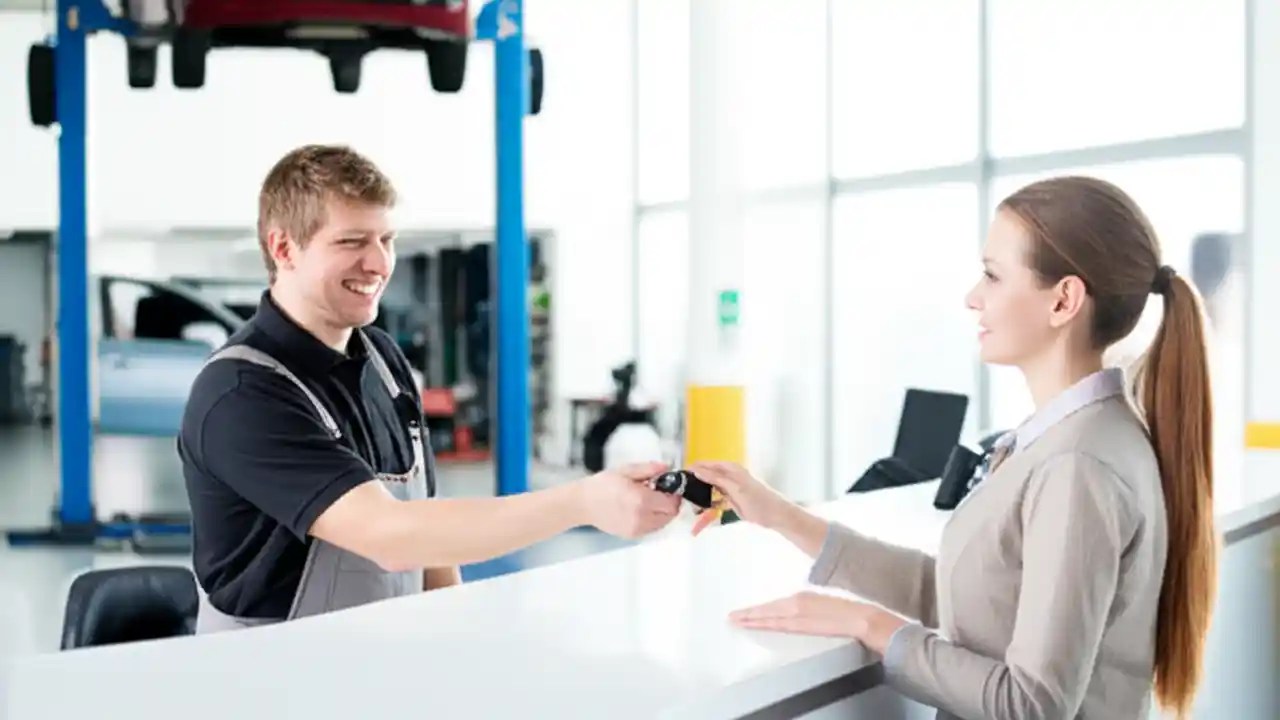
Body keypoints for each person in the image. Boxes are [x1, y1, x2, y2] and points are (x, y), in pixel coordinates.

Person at [692, 176, 1217, 720]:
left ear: (1064, 300)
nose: (973, 297)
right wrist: (781, 515)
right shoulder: (1075, 438)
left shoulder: (1077, 465)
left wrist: (871, 627)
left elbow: (1030, 704)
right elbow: (964, 600)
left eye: (993, 275)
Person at [178, 144, 680, 632]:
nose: (378, 264)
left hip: (380, 667)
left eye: (387, 239)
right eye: (352, 242)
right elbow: (390, 536)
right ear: (283, 247)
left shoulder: (383, 359)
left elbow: (429, 538)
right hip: (269, 686)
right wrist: (582, 502)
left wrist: (455, 644)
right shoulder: (241, 393)